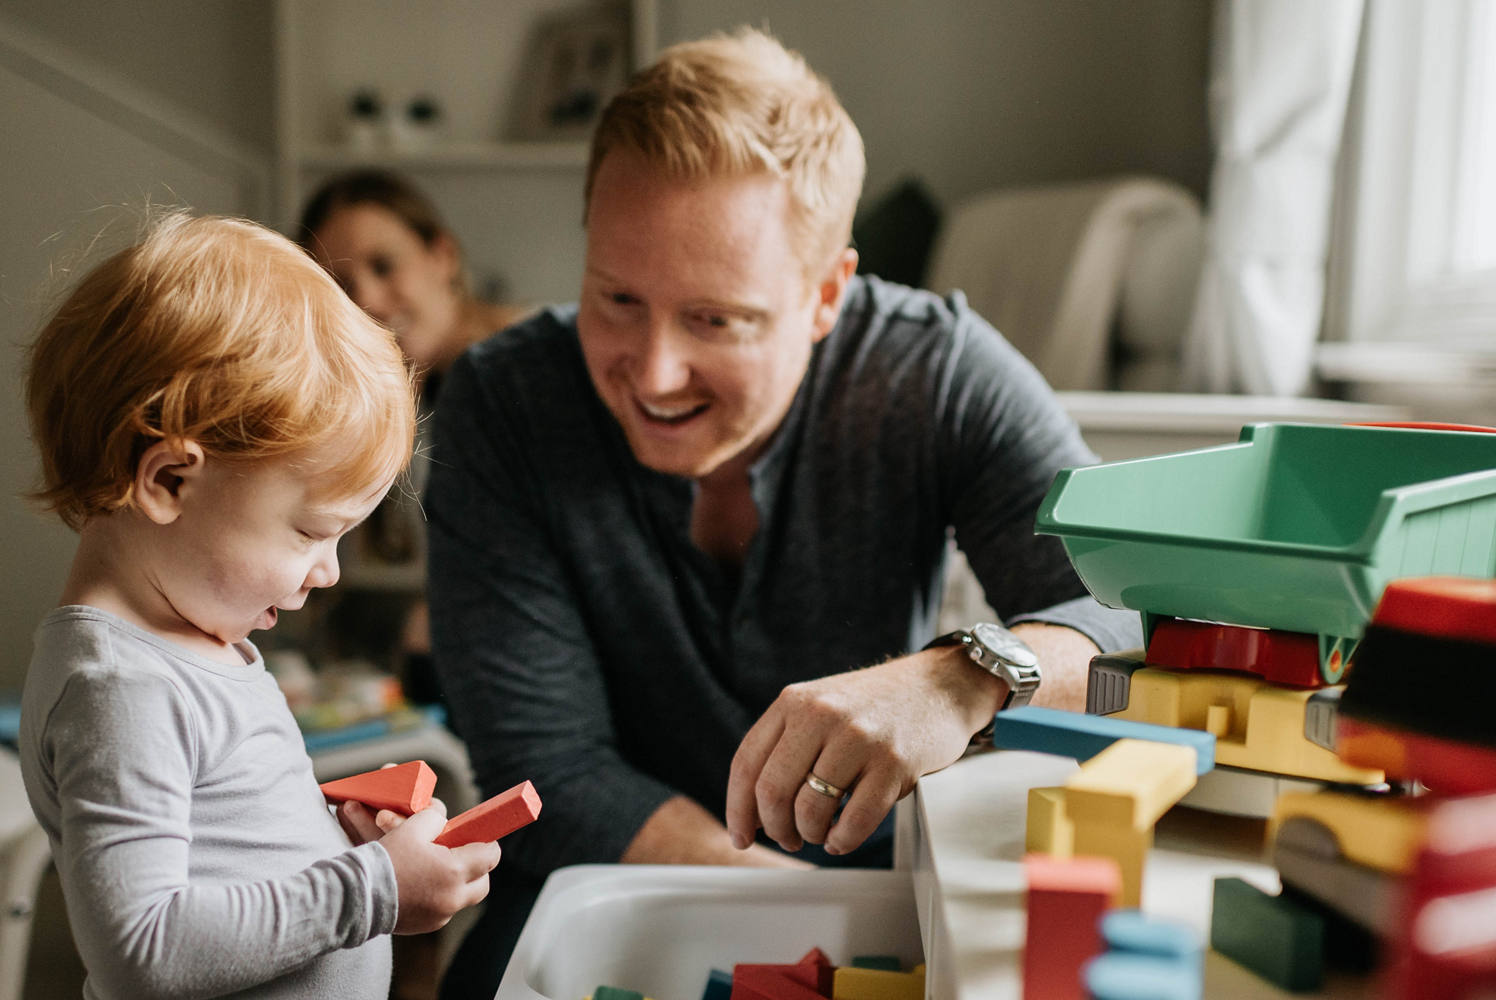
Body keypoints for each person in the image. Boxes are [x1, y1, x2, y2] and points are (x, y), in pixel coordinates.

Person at [426, 28, 1143, 995]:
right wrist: (792, 923)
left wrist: (960, 679)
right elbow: (547, 770)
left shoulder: (937, 373)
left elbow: (1131, 619)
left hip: (872, 880)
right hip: (592, 880)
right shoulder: (502, 403)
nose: (655, 369)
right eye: (617, 298)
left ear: (826, 296)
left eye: (716, 319)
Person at [17, 212, 500, 999]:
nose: (328, 573)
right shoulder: (122, 690)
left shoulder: (185, 644)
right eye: (312, 532)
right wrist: (369, 889)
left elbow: (217, 851)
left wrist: (323, 836)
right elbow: (141, 949)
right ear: (169, 481)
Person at [296, 170, 528, 681]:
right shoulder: (375, 406)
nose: (369, 301)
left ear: (442, 256)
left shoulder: (518, 377)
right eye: (340, 283)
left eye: (384, 265)